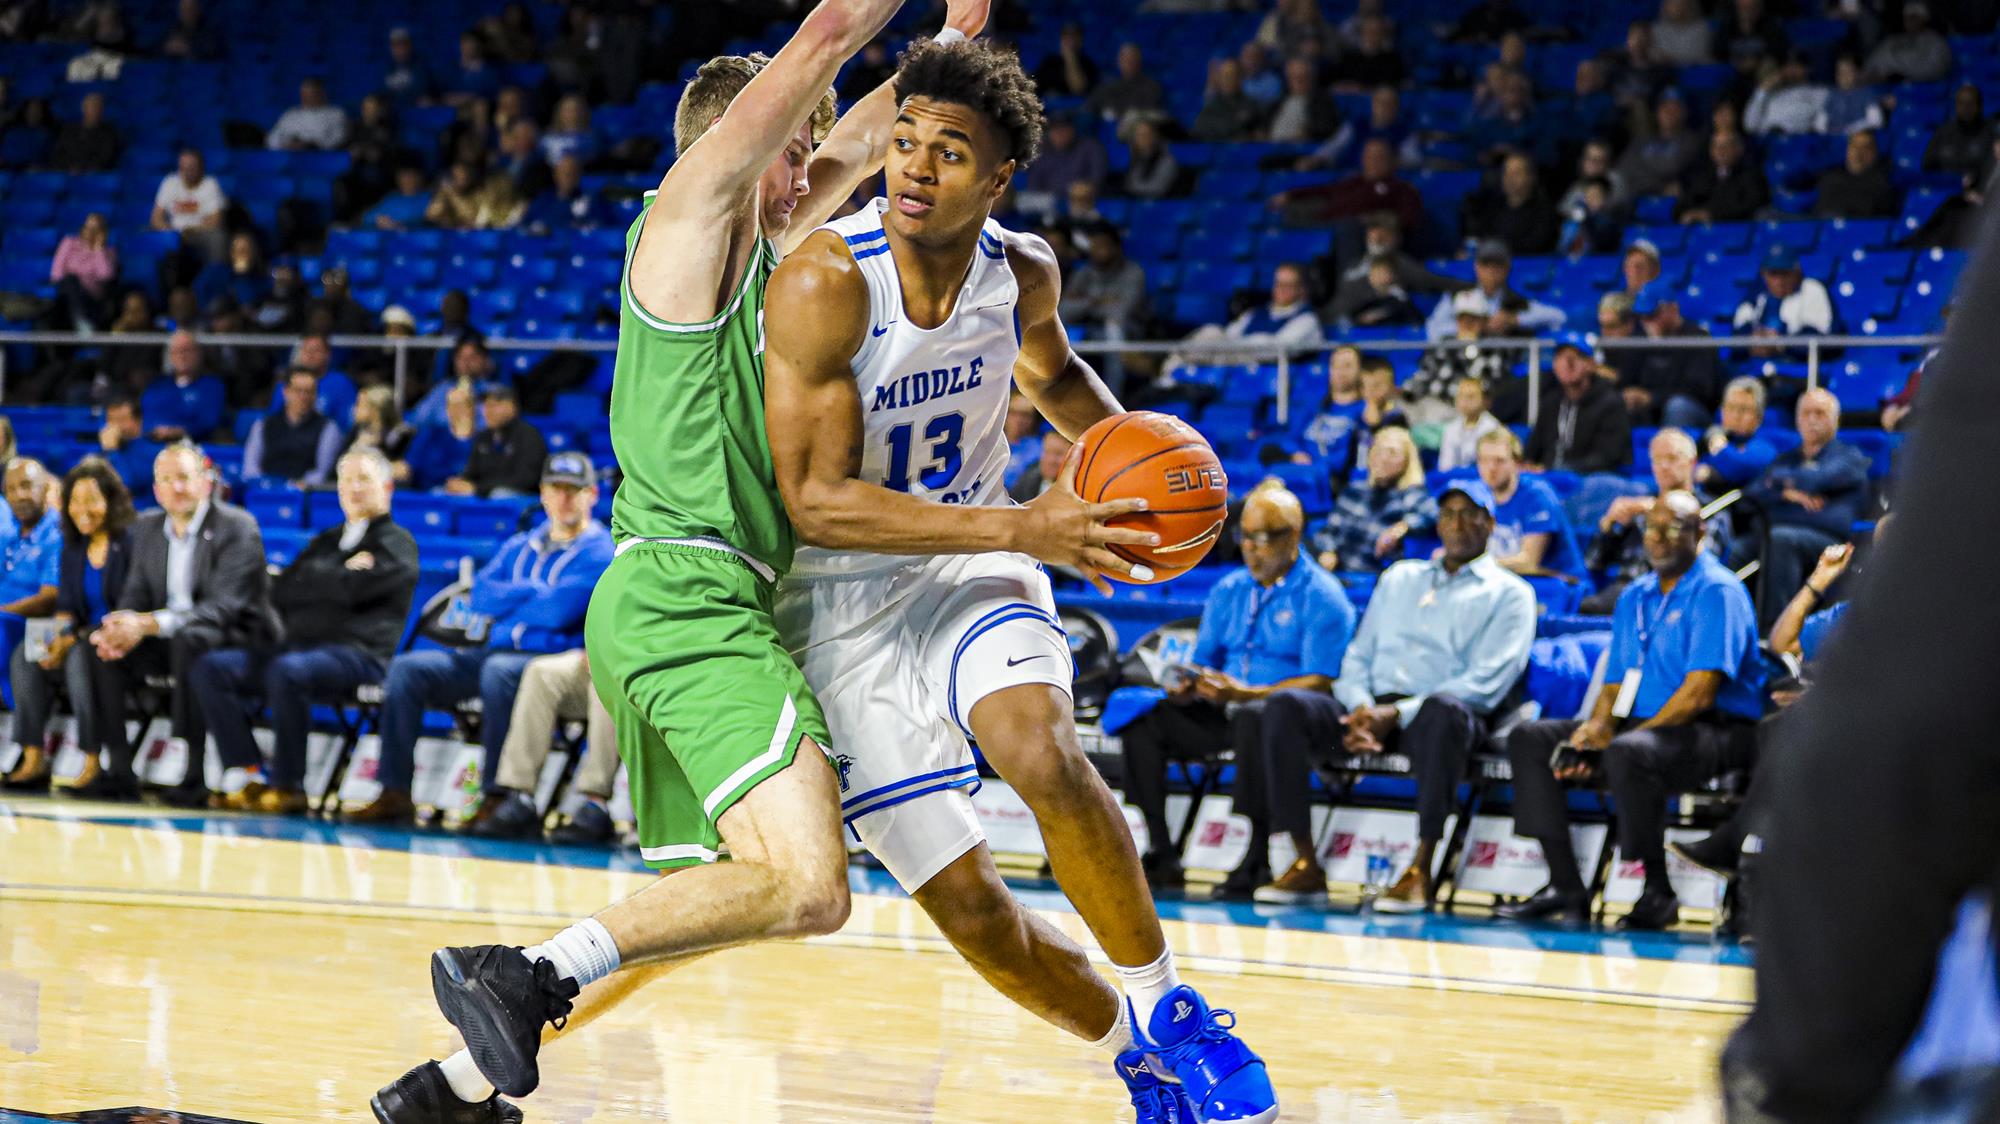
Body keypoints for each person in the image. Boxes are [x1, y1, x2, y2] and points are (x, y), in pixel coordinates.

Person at [365, 10, 1064, 1124]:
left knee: (729, 897)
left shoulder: (777, 255)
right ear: (730, 146)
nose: (815, 175)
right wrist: (865, 35)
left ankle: (447, 1090)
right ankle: (513, 973)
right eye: (791, 149)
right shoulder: (688, 222)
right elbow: (827, 34)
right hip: (684, 596)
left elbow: (849, 143)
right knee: (810, 886)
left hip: (716, 604)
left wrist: (947, 39)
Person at [760, 39, 1280, 1124]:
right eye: (901, 141)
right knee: (975, 912)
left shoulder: (1022, 270)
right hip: (840, 604)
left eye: (947, 152)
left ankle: (1166, 1006)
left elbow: (1051, 373)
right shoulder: (823, 280)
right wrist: (1027, 522)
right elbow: (813, 500)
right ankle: (1134, 1058)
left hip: (971, 559)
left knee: (1039, 745)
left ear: (996, 181)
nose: (910, 165)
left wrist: (1145, 474)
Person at [1252, 480, 1536, 909]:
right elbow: (1358, 655)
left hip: (1436, 718)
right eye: (1448, 514)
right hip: (1369, 713)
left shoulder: (1512, 593)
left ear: (1490, 523)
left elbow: (1486, 683)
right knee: (1285, 707)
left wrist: (1396, 713)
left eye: (1469, 514)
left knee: (1445, 713)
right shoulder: (1399, 576)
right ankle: (1305, 862)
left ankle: (1421, 868)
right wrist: (1362, 707)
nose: (1457, 524)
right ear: (1437, 524)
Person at [1499, 492, 1763, 930]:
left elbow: (1699, 693)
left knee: (1629, 752)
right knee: (1531, 738)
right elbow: (1615, 681)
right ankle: (1564, 885)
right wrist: (1596, 729)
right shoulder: (1635, 595)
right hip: (1643, 729)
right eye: (1651, 528)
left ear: (1700, 534)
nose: (1658, 538)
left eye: (1673, 527)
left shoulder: (1717, 591)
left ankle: (1656, 892)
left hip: (1714, 730)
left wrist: (1614, 741)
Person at [350, 452, 612, 830]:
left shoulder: (599, 550)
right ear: (542, 493)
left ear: (592, 495)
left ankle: (496, 795)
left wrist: (518, 599)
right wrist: (535, 591)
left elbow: (558, 611)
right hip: (492, 652)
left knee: (499, 672)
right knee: (409, 669)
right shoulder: (522, 543)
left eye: (574, 490)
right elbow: (482, 597)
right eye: (557, 489)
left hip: (548, 657)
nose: (565, 499)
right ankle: (394, 791)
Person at [1118, 482, 1356, 892]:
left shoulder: (1323, 595)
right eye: (1244, 537)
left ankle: (1256, 856)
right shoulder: (1230, 588)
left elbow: (1322, 680)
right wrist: (1191, 683)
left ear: (1294, 536)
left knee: (1255, 716)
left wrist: (1247, 694)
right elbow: (1205, 658)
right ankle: (1161, 849)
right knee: (1145, 718)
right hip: (1224, 708)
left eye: (1262, 538)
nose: (1250, 548)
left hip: (1287, 718)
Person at [189, 448, 418, 814]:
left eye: (364, 480)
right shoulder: (326, 541)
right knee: (210, 667)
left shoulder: (397, 543)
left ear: (387, 487)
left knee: (288, 671)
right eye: (346, 480)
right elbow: (282, 591)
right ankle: (249, 772)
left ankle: (288, 785)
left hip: (359, 655)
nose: (354, 488)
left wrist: (321, 581)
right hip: (299, 648)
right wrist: (341, 573)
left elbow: (353, 592)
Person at [81, 444, 276, 806]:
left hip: (232, 640)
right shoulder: (147, 527)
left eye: (184, 478)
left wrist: (148, 623)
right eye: (167, 480)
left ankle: (193, 772)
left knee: (192, 639)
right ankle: (119, 768)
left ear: (205, 482)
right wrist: (121, 626)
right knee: (95, 650)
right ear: (156, 490)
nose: (177, 488)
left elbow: (222, 608)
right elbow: (135, 594)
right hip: (168, 637)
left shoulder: (237, 527)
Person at [4, 459, 133, 793]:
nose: (82, 510)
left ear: (110, 501)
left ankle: (91, 760)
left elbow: (129, 606)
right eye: (75, 501)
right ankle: (32, 757)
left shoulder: (128, 544)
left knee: (78, 656)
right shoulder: (74, 549)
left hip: (116, 636)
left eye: (91, 500)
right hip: (79, 633)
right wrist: (54, 638)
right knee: (27, 653)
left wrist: (69, 638)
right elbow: (65, 608)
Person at [465, 648, 622, 844]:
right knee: (540, 671)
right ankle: (521, 798)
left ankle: (596, 803)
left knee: (607, 676)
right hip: (599, 656)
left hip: (639, 663)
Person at [1740, 388, 1871, 623]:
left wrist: (1778, 488)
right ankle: (1737, 628)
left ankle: (1774, 635)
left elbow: (1815, 481)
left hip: (1830, 543)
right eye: (1806, 413)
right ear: (1797, 419)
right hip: (1777, 533)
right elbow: (1751, 495)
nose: (1812, 420)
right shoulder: (1785, 458)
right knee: (1740, 548)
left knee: (1781, 537)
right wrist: (1788, 494)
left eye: (1820, 413)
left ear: (1835, 420)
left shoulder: (1850, 458)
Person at [1584, 428, 1727, 612]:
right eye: (1658, 460)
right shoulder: (1636, 509)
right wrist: (1608, 525)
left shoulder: (1709, 511)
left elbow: (1702, 568)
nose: (1665, 466)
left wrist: (1660, 513)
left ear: (1692, 463)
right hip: (1625, 593)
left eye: (1672, 458)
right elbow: (1592, 563)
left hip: (1674, 597)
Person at [1311, 426, 1434, 574]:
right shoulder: (1354, 490)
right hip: (1339, 573)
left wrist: (1402, 527)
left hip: (1377, 579)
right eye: (1378, 450)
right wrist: (1328, 551)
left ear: (1407, 461)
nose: (1383, 458)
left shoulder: (1410, 494)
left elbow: (1432, 514)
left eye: (1392, 452)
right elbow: (1328, 531)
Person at [1476, 428, 1585, 576]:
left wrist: (1473, 565)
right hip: (1507, 581)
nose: (1491, 468)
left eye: (1499, 461)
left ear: (1517, 463)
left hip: (1557, 584)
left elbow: (1528, 562)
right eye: (1484, 460)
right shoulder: (1478, 495)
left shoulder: (1537, 495)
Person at [1525, 332, 1633, 474]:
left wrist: (1558, 470)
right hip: (1551, 478)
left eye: (1576, 357)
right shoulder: (1550, 402)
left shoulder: (1611, 403)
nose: (1568, 363)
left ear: (1591, 364)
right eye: (1561, 357)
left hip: (1592, 481)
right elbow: (1532, 450)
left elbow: (1607, 458)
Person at [1424, 240, 1565, 341]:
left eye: (1497, 265)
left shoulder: (1515, 300)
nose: (1491, 271)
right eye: (1486, 265)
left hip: (1501, 367)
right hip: (1460, 360)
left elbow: (1558, 317)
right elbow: (1433, 328)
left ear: (1507, 268)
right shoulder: (1458, 294)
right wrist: (1471, 327)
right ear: (1477, 267)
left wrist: (1515, 320)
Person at [243, 368, 343, 486]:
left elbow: (322, 472)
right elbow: (250, 468)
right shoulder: (263, 425)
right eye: (298, 391)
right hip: (266, 492)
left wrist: (298, 485)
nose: (303, 397)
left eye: (309, 391)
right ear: (286, 392)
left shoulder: (329, 428)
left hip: (305, 495)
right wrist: (265, 484)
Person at [1733, 246, 1837, 358]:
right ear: (1763, 274)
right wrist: (1753, 340)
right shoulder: (1756, 293)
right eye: (1773, 274)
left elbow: (1821, 340)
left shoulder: (1811, 289)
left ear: (1796, 271)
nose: (1779, 281)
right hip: (1756, 369)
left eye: (1785, 273)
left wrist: (1780, 342)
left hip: (1797, 370)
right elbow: (1737, 334)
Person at [444, 384, 546, 498]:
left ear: (511, 407)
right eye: (485, 406)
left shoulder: (529, 436)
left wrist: (478, 488)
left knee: (499, 494)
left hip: (521, 499)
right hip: (485, 493)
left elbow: (526, 479)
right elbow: (471, 472)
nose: (487, 411)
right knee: (441, 493)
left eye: (493, 406)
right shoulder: (483, 437)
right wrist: (460, 483)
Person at [1461, 151, 1559, 257]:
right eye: (1506, 172)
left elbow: (1534, 248)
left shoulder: (1545, 212)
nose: (1509, 178)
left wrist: (1493, 252)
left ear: (1531, 177)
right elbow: (1479, 238)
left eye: (1516, 173)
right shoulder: (1492, 207)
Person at [138, 330, 226, 443]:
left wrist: (179, 431)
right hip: (155, 444)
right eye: (177, 351)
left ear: (199, 354)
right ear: (170, 356)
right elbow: (147, 416)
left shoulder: (212, 386)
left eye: (187, 351)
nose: (182, 356)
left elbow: (209, 421)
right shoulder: (157, 386)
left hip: (195, 446)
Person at [150, 148, 229, 261]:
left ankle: (217, 273)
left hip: (199, 233)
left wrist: (190, 230)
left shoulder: (210, 184)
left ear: (201, 168)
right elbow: (156, 218)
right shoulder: (170, 182)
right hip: (173, 232)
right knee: (144, 235)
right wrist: (169, 231)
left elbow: (216, 221)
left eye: (191, 167)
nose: (187, 171)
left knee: (218, 238)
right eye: (183, 167)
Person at [1675, 130, 1770, 225]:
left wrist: (1712, 215)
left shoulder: (1752, 175)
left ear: (1739, 149)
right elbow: (1682, 206)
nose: (1720, 151)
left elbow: (1752, 205)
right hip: (1702, 233)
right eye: (1716, 146)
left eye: (1726, 146)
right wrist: (1688, 213)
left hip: (1735, 231)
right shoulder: (1702, 177)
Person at [48, 211, 117, 332]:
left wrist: (98, 249)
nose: (90, 232)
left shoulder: (109, 252)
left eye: (95, 229)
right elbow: (56, 273)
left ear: (103, 232)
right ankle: (82, 322)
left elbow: (106, 276)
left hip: (91, 297)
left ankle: (82, 323)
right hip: (67, 292)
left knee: (72, 283)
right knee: (70, 281)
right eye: (88, 227)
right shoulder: (69, 243)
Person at [402, 383, 479, 490]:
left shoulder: (483, 439)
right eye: (450, 405)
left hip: (469, 493)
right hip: (432, 490)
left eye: (461, 405)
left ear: (472, 408)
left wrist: (473, 486)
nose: (455, 410)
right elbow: (408, 466)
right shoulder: (430, 435)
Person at [1812, 128, 1899, 219]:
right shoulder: (1829, 177)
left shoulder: (1884, 184)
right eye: (1854, 146)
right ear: (1847, 150)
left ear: (1875, 152)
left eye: (1865, 148)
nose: (1858, 153)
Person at [1863, 0, 1951, 83]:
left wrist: (1900, 75)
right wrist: (1875, 74)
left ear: (1924, 18)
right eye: (1907, 17)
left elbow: (1937, 69)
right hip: (1885, 89)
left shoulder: (1936, 42)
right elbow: (1872, 65)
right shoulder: (1893, 41)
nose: (1910, 21)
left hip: (1921, 91)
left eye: (1914, 17)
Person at [1924, 84, 1992, 179]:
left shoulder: (1989, 134)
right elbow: (1927, 165)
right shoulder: (1943, 132)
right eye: (1961, 103)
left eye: (1970, 104)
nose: (1965, 108)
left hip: (1979, 189)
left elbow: (1992, 172)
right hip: (1946, 186)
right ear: (1955, 106)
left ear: (1979, 106)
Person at [1438, 376, 1505, 473]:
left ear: (1484, 400)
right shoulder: (1451, 428)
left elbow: (1492, 467)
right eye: (1461, 396)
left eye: (1471, 396)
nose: (1465, 401)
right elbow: (1445, 467)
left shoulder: (1492, 428)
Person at [96, 395, 159, 493]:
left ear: (138, 422)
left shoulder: (153, 453)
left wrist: (112, 451)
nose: (115, 426)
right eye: (110, 420)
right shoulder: (103, 451)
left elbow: (125, 486)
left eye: (121, 419)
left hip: (143, 507)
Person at [1191, 58, 1262, 144]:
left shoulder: (1251, 105)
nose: (1228, 80)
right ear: (1219, 79)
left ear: (1240, 78)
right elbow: (1198, 131)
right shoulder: (1211, 106)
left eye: (1232, 75)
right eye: (1224, 76)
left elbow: (1259, 135)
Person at [267, 76, 349, 151]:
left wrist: (311, 144)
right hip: (289, 155)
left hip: (320, 157)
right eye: (304, 94)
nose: (307, 98)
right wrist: (285, 144)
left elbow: (339, 138)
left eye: (311, 94)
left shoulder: (336, 113)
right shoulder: (291, 114)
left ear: (322, 94)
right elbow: (272, 137)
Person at [344, 385, 416, 465]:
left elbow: (400, 467)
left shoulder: (398, 436)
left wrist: (378, 445)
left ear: (375, 411)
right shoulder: (357, 430)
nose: (354, 409)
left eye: (359, 405)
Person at [49, 90, 119, 172]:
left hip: (94, 177)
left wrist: (82, 169)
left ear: (102, 110)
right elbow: (58, 155)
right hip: (67, 174)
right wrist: (68, 168)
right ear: (83, 108)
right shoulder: (69, 131)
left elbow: (105, 159)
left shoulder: (109, 132)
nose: (94, 110)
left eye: (97, 106)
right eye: (91, 106)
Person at [1032, 21, 1098, 98]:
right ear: (1061, 39)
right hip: (1050, 107)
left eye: (1074, 36)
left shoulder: (1088, 63)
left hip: (1076, 107)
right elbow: (1036, 85)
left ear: (1081, 40)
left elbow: (1078, 89)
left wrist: (1070, 58)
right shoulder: (1049, 62)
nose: (1070, 40)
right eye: (1066, 36)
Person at [1007, 429, 1071, 504]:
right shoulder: (1027, 480)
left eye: (1058, 454)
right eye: (1047, 452)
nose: (1051, 460)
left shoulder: (1077, 492)